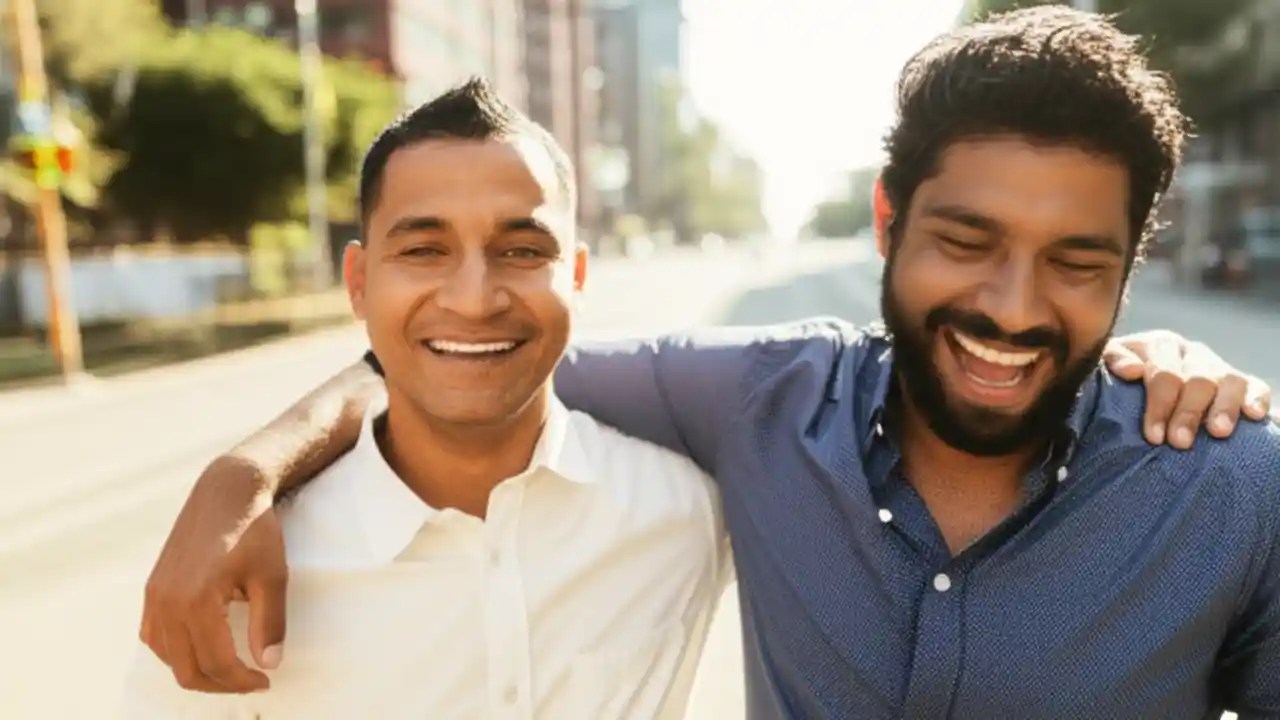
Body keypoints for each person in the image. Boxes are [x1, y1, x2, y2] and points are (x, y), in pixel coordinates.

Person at [140, 8, 1279, 718]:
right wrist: (240, 474)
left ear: (1133, 262)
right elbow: (476, 357)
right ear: (886, 220)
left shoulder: (1235, 488)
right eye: (964, 243)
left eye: (1075, 264)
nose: (1010, 309)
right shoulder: (755, 402)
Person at [122, 79, 727, 719]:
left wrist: (242, 470)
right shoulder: (239, 576)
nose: (473, 298)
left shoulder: (686, 509)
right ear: (358, 282)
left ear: (575, 278)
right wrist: (241, 476)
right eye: (423, 250)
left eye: (522, 250)